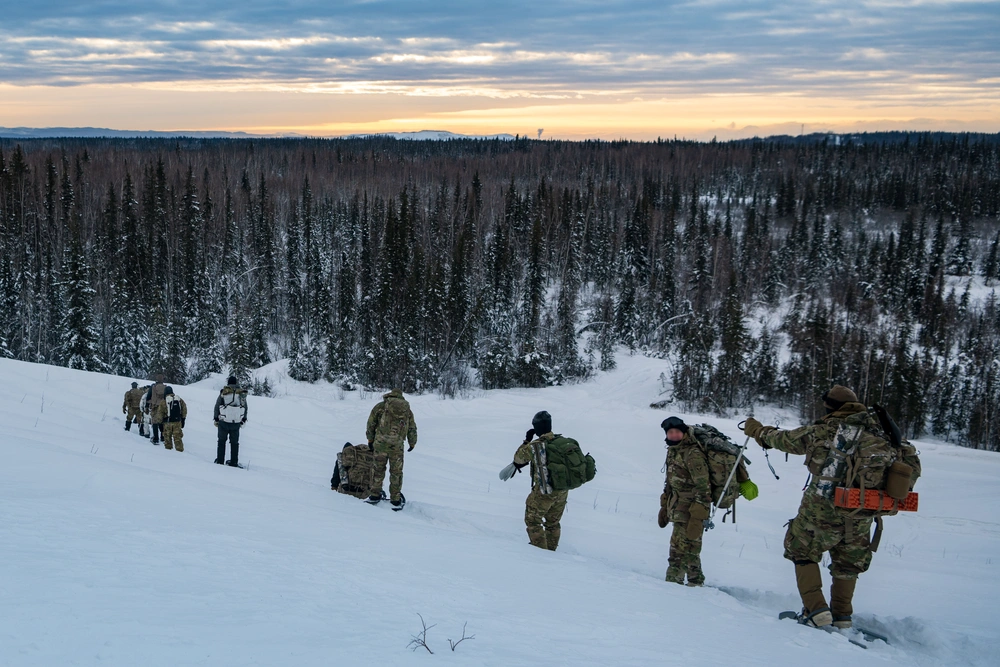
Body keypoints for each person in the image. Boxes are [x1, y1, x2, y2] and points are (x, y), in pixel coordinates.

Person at [741, 385, 919, 629]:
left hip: (821, 508)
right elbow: (910, 461)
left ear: (830, 407)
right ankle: (842, 616)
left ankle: (816, 611)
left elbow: (781, 439)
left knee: (801, 550)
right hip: (861, 510)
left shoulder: (825, 430)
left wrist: (756, 430)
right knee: (848, 563)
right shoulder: (882, 432)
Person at [509, 411, 570, 551]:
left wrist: (527, 440)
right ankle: (551, 552)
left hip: (544, 490)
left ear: (537, 427)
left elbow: (518, 458)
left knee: (533, 521)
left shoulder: (536, 445)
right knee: (553, 523)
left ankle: (541, 555)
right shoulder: (561, 442)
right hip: (562, 490)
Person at [365, 388, 417, 509]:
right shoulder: (407, 410)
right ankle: (395, 499)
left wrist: (370, 440)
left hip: (380, 444)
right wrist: (412, 443)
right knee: (396, 473)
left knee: (378, 469)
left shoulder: (380, 407)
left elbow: (371, 424)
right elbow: (412, 428)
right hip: (397, 447)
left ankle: (374, 495)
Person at [214, 375, 248, 467]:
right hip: (236, 422)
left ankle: (220, 460)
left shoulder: (224, 392)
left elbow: (217, 405)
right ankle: (234, 462)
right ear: (236, 383)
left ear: (228, 383)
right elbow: (245, 407)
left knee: (221, 441)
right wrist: (243, 419)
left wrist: (216, 418)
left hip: (223, 421)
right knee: (234, 443)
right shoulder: (240, 393)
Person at [155, 386, 187, 452]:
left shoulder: (163, 402)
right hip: (177, 422)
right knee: (178, 438)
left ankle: (169, 453)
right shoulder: (179, 399)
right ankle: (180, 452)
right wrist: (183, 419)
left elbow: (160, 413)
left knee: (167, 439)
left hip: (167, 423)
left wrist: (160, 424)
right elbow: (184, 409)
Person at [145, 375, 167, 445]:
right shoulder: (166, 387)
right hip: (163, 407)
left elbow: (148, 397)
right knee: (162, 422)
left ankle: (156, 438)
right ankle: (163, 437)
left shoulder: (153, 387)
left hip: (155, 407)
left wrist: (146, 406)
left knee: (155, 422)